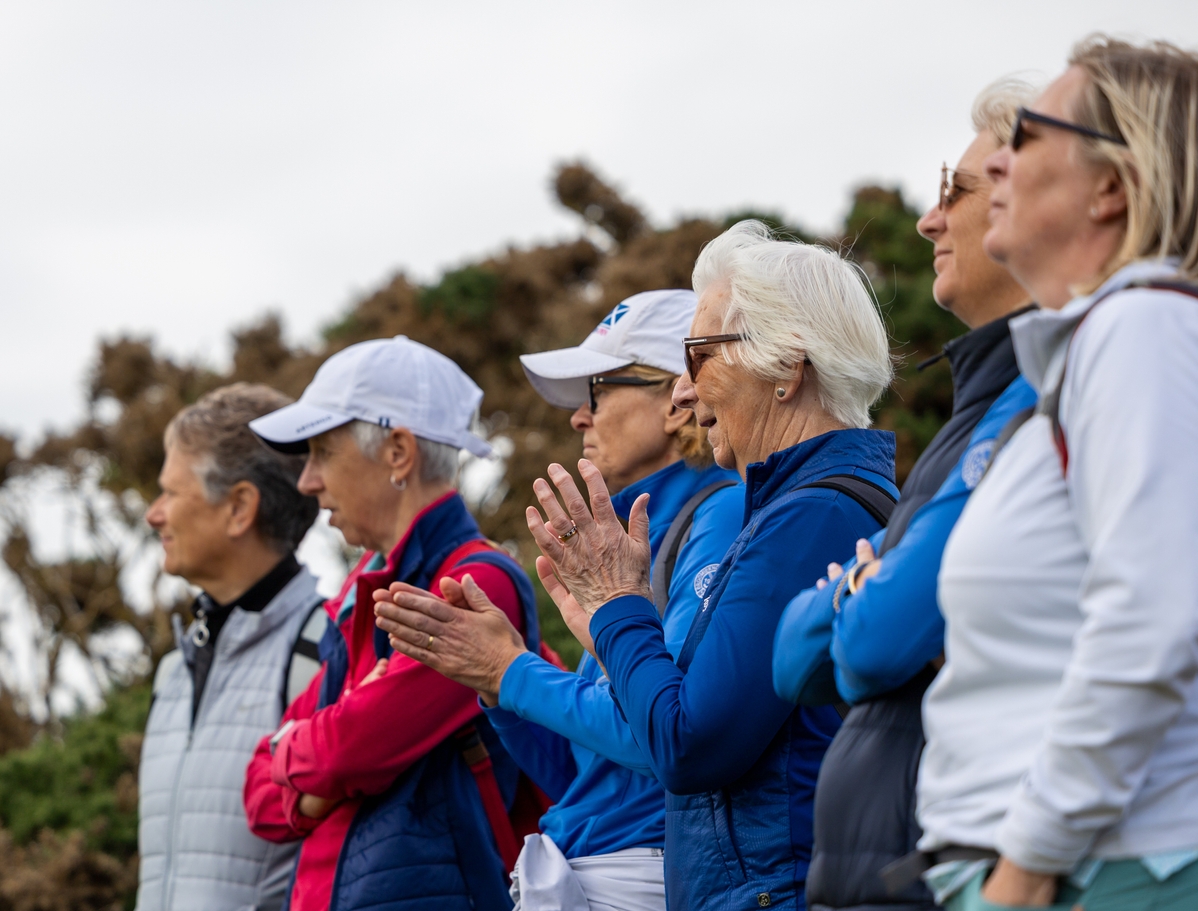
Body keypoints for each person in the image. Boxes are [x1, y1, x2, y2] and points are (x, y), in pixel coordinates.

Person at [914, 37, 1198, 910]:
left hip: (1144, 875)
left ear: (1112, 185)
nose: (996, 166)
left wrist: (1023, 867)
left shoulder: (1151, 335)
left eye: (1023, 137)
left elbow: (1151, 615)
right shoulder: (1120, 344)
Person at [520, 220, 900, 911]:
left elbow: (689, 744)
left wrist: (615, 608)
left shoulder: (808, 518)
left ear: (787, 367)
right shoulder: (796, 510)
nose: (684, 393)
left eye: (697, 356)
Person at [372, 289, 745, 911]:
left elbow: (658, 739)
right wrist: (497, 687)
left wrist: (512, 672)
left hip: (650, 876)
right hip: (605, 870)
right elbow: (582, 778)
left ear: (679, 399)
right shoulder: (630, 535)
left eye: (596, 391)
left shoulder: (721, 512)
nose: (579, 417)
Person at [772, 79, 1039, 911]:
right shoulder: (978, 414)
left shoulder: (1035, 405)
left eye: (951, 192)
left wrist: (863, 588)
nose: (929, 220)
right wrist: (878, 590)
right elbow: (792, 655)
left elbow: (879, 637)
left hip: (951, 870)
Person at [241, 337, 539, 911]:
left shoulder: (479, 586)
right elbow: (257, 800)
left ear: (398, 452)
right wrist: (321, 766)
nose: (307, 480)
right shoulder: (354, 600)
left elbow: (349, 750)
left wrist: (302, 758)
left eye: (322, 452)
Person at [136, 383, 322, 911]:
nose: (155, 514)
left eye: (171, 493)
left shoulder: (323, 654)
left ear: (240, 508)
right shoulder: (172, 669)